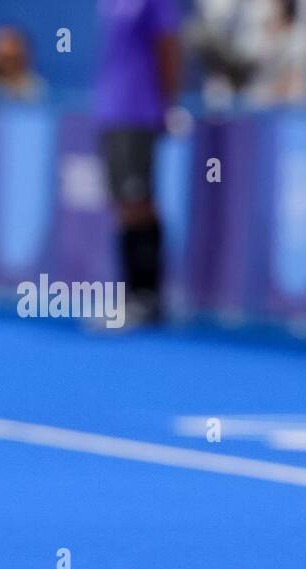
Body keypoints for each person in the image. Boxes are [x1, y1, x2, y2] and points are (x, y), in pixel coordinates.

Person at [95, 0, 182, 329]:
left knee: (138, 203)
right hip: (110, 112)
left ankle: (147, 299)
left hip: (140, 111)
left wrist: (167, 103)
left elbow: (169, 45)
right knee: (121, 206)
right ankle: (129, 296)